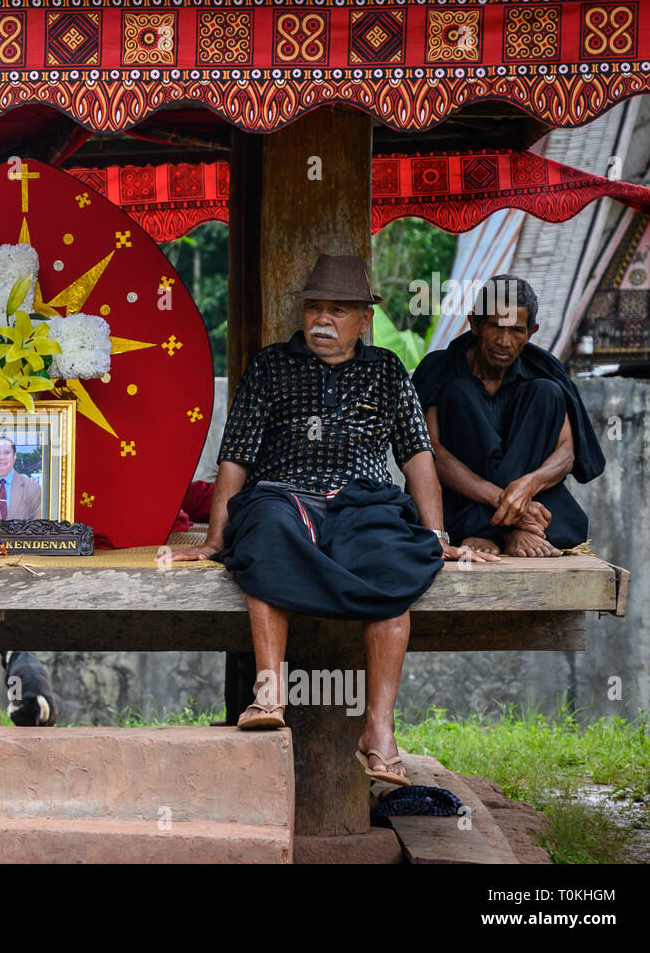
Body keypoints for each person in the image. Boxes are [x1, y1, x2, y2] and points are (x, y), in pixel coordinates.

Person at [170, 254, 497, 785]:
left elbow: (418, 458)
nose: (322, 319)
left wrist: (438, 536)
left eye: (338, 310)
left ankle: (379, 730)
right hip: (284, 495)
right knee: (266, 533)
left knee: (397, 560)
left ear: (363, 321)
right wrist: (214, 537)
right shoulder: (272, 366)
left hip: (363, 502)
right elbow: (235, 456)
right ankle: (269, 690)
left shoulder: (388, 370)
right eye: (315, 308)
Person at [411, 275, 605, 557]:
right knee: (458, 392)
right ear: (474, 324)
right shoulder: (442, 368)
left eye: (516, 330)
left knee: (547, 392)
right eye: (495, 327)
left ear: (532, 331)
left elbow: (566, 454)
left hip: (515, 502)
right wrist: (506, 502)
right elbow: (432, 453)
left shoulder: (543, 369)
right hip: (460, 496)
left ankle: (491, 531)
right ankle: (505, 529)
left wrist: (528, 486)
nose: (504, 341)